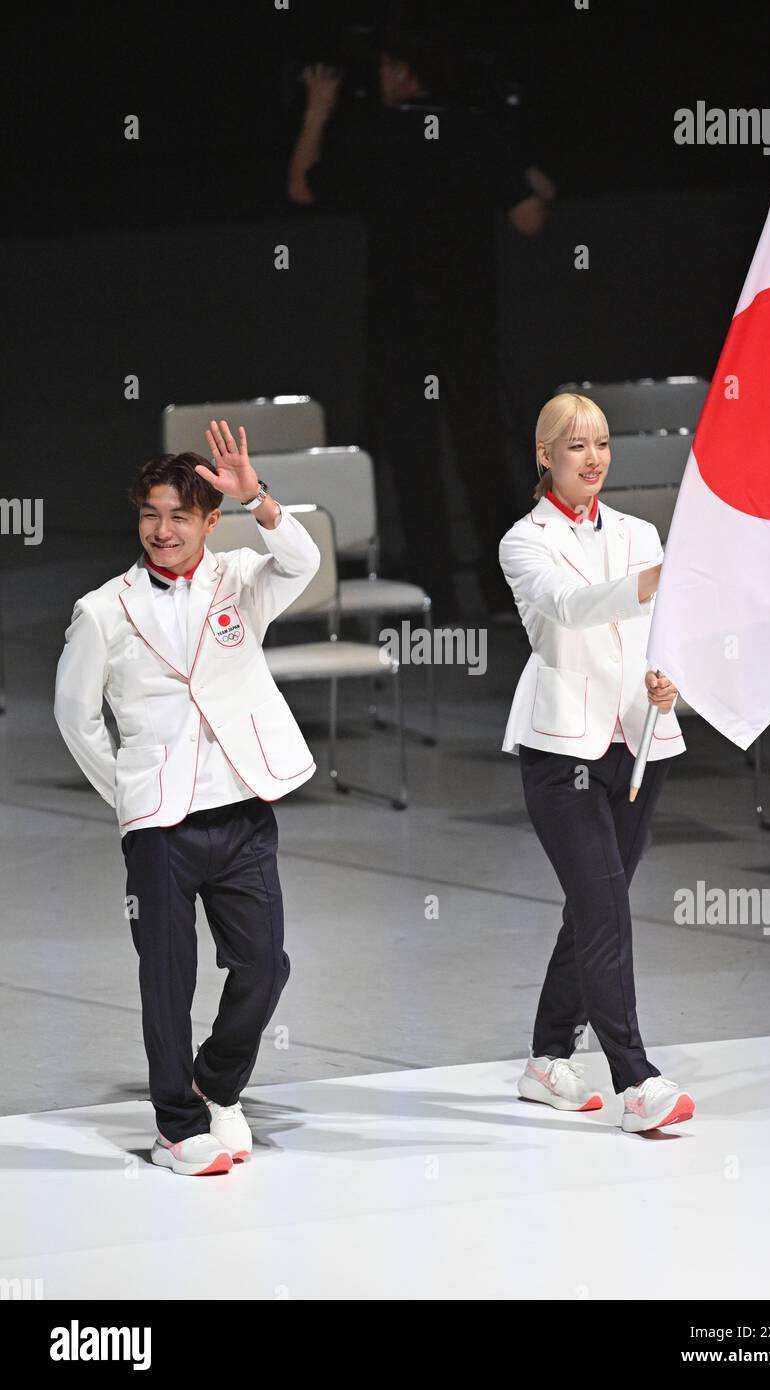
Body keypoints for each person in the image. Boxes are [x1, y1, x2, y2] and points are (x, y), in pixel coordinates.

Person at [53, 421, 321, 1175]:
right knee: (167, 978)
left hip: (242, 805)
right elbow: (75, 716)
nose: (162, 530)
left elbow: (304, 561)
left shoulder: (239, 576)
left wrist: (258, 499)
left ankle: (215, 1083)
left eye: (179, 514)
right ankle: (176, 1124)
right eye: (150, 514)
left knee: (265, 966)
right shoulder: (105, 609)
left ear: (209, 519)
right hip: (161, 826)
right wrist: (129, 794)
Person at [287, 25, 556, 615]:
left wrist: (318, 110)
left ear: (404, 72)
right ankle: (502, 585)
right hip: (468, 325)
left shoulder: (375, 136)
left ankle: (437, 592)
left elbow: (304, 187)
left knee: (414, 460)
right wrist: (537, 180)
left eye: (386, 68)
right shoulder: (478, 132)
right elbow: (531, 216)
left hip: (398, 327)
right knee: (483, 453)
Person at [498, 392, 696, 1133]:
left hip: (642, 741)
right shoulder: (524, 542)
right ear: (545, 456)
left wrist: (671, 675)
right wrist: (651, 582)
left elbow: (666, 632)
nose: (594, 459)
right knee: (607, 906)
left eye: (603, 443)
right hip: (563, 753)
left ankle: (549, 1057)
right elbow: (572, 606)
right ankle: (635, 1079)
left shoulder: (641, 531)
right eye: (575, 446)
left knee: (594, 907)